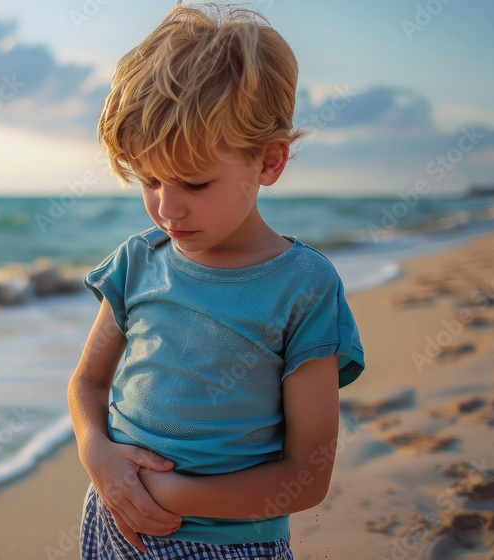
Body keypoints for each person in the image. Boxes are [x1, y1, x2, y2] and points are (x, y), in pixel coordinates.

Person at [66, 3, 366, 559]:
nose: (167, 206)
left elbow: (307, 475)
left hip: (229, 548)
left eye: (195, 182)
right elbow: (86, 384)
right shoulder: (137, 262)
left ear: (269, 163)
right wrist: (96, 454)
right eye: (149, 178)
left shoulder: (303, 286)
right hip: (113, 522)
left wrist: (173, 493)